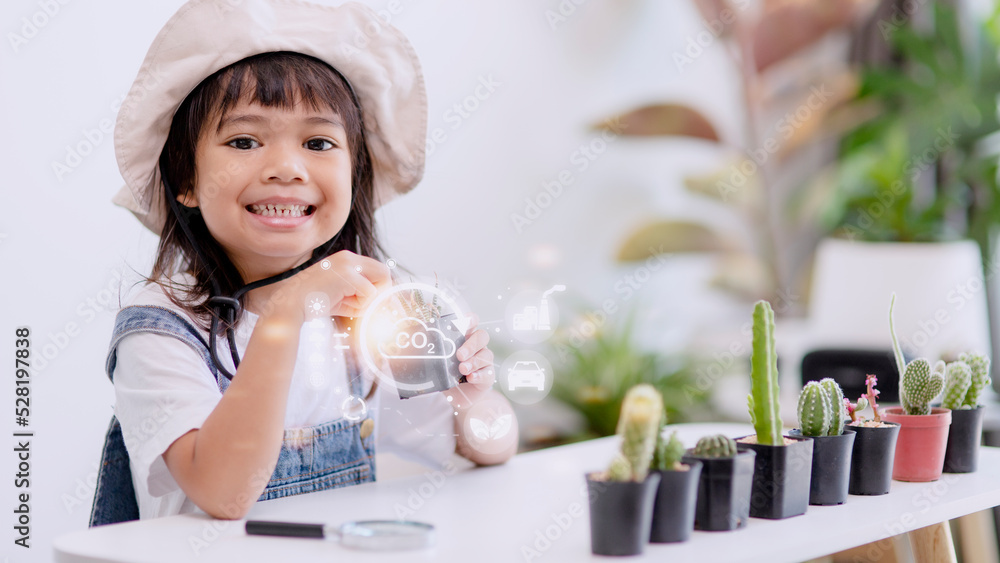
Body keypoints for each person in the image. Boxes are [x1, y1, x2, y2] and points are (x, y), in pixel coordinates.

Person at [90, 0, 517, 526]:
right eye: (244, 140)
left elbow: (492, 447)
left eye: (318, 142)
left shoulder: (364, 318)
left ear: (355, 176)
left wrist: (470, 400)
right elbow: (223, 494)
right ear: (186, 180)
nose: (288, 168)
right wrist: (286, 316)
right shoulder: (162, 328)